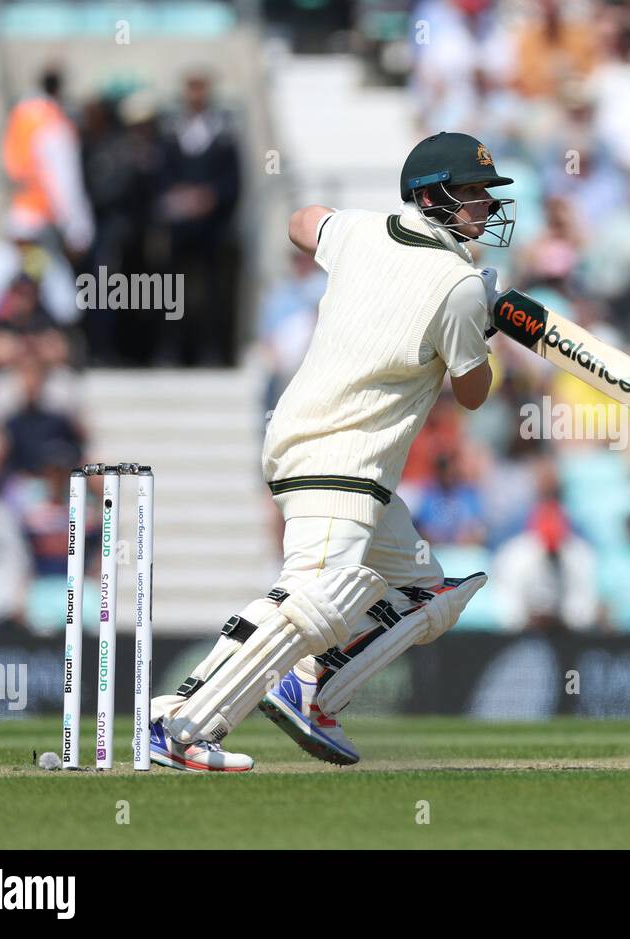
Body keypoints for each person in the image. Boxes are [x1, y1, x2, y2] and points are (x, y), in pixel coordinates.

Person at [146, 132, 515, 771]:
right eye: (473, 194)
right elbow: (475, 393)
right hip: (344, 455)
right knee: (315, 595)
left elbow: (301, 221)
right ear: (432, 197)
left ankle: (314, 686)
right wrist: (488, 325)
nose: (484, 207)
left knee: (425, 592)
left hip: (317, 444)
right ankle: (181, 725)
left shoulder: (361, 231)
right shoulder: (458, 286)